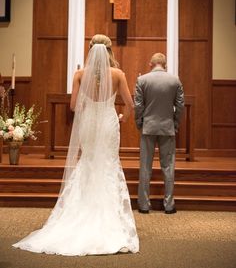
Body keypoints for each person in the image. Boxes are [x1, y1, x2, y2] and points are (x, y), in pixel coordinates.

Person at [13, 34, 139, 255]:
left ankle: (82, 210)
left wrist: (90, 110)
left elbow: (73, 106)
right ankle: (107, 216)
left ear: (90, 50)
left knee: (88, 162)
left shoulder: (80, 74)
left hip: (89, 124)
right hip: (109, 123)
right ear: (109, 51)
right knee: (108, 164)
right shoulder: (118, 74)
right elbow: (131, 104)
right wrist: (123, 117)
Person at [134, 53, 184, 214]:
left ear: (151, 64)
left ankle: (143, 205)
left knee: (145, 167)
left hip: (148, 127)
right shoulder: (174, 80)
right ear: (165, 65)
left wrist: (139, 123)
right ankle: (169, 205)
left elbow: (139, 106)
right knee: (168, 166)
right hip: (167, 127)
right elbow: (180, 106)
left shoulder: (142, 80)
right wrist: (175, 123)